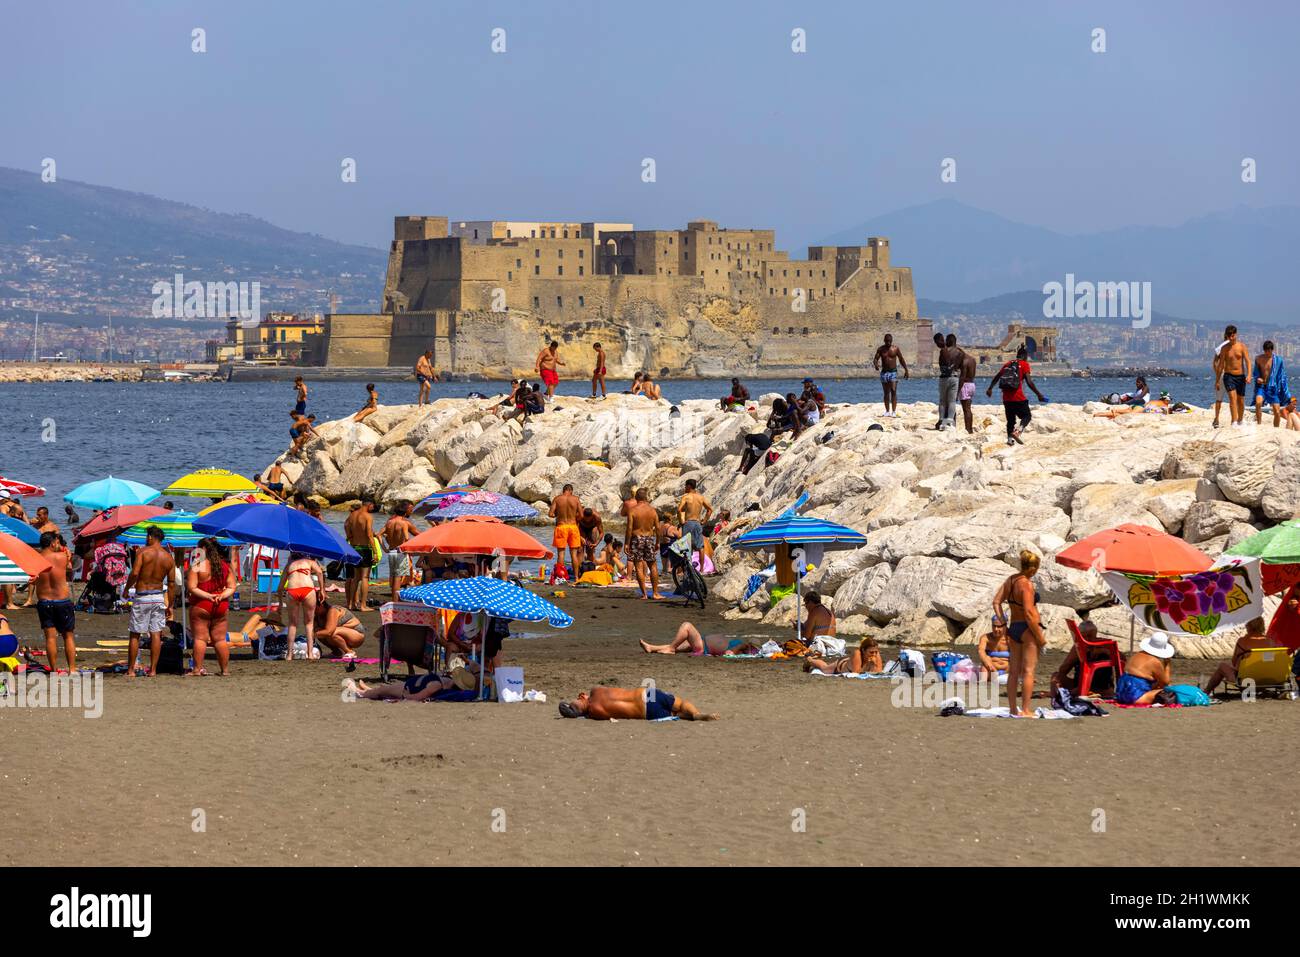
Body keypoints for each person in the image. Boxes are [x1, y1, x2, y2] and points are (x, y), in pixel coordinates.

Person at [993, 549, 1046, 717]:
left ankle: (1012, 709)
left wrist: (1002, 622)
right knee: (1029, 670)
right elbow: (1030, 614)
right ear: (1033, 568)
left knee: (1014, 671)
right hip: (1027, 629)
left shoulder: (1011, 580)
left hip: (1014, 628)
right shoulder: (1027, 585)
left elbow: (996, 602)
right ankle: (1025, 709)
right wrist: (1040, 638)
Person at [125, 525, 176, 678]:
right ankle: (153, 670)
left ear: (150, 537)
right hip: (159, 596)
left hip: (143, 596)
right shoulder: (168, 557)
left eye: (146, 536)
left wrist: (127, 588)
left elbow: (134, 573)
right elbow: (172, 583)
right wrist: (170, 605)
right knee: (156, 634)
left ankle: (131, 670)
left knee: (135, 634)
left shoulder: (143, 552)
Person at [187, 537, 235, 676]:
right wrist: (221, 595)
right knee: (220, 639)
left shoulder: (199, 564)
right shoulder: (224, 565)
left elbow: (192, 587)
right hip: (220, 604)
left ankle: (197, 669)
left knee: (200, 638)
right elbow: (232, 587)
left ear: (204, 549)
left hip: (201, 604)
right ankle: (225, 670)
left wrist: (207, 596)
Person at [986, 345, 1047, 447]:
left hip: (1006, 398)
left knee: (1010, 420)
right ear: (1025, 356)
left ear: (1017, 355)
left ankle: (1010, 440)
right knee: (1027, 416)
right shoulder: (1024, 364)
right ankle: (1018, 432)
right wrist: (1039, 394)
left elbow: (997, 377)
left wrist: (990, 388)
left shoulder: (1008, 364)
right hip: (1018, 397)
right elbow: (1029, 382)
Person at [34, 531, 76, 674]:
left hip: (44, 601)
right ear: (53, 543)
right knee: (68, 636)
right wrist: (64, 550)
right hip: (62, 601)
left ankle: (53, 670)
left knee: (50, 638)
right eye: (56, 542)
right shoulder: (62, 557)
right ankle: (72, 669)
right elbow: (70, 569)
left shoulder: (36, 558)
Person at [558, 685, 719, 721]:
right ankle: (696, 714)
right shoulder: (596, 690)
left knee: (675, 714)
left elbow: (584, 713)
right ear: (582, 696)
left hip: (646, 713)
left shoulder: (594, 714)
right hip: (646, 694)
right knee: (680, 702)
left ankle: (687, 716)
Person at [1203, 616, 1272, 694]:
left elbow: (1234, 662)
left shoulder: (1242, 641)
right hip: (1267, 680)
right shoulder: (1270, 642)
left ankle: (1206, 691)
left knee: (1222, 666)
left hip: (1245, 681)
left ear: (1248, 625)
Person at [278, 551, 325, 660]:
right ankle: (310, 654)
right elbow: (319, 572)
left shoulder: (289, 565)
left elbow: (280, 587)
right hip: (307, 590)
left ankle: (289, 655)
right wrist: (322, 590)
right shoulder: (310, 561)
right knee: (309, 623)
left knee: (292, 624)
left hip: (292, 590)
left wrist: (280, 603)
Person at [1049, 618, 1114, 695]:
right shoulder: (1078, 647)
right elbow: (1063, 670)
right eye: (1084, 636)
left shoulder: (1104, 644)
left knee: (1077, 691)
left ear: (1095, 634)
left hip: (1101, 688)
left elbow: (1122, 661)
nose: (1087, 639)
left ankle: (1067, 694)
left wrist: (1105, 652)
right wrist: (1074, 656)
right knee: (1056, 677)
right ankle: (1055, 698)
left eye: (1090, 636)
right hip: (1080, 684)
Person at [1115, 631, 1175, 704]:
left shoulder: (1136, 655)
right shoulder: (1155, 662)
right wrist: (1167, 664)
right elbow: (1165, 683)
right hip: (1135, 696)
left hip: (1120, 694)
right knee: (1170, 692)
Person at [640, 621, 762, 656]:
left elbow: (728, 653)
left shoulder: (740, 647)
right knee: (677, 645)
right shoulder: (740, 647)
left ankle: (670, 649)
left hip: (703, 646)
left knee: (686, 626)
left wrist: (741, 646)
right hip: (702, 643)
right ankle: (651, 648)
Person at [626, 489, 664, 600]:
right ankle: (656, 593)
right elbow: (657, 528)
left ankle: (644, 594)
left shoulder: (632, 510)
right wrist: (657, 542)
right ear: (646, 498)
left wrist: (626, 543)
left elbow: (629, 528)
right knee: (653, 565)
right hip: (649, 538)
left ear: (636, 498)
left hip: (636, 538)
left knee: (638, 566)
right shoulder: (652, 511)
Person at [381, 500, 419, 598]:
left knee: (394, 576)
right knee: (398, 577)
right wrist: (408, 548)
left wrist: (384, 549)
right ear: (405, 511)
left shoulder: (389, 522)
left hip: (391, 551)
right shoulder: (404, 523)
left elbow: (378, 534)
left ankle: (394, 600)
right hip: (400, 552)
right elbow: (407, 538)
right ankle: (396, 600)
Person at [344, 501, 376, 611]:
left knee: (355, 578)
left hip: (354, 548)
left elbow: (347, 531)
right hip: (365, 549)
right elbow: (369, 534)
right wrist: (375, 551)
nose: (373, 507)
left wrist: (352, 539)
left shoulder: (352, 515)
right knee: (365, 577)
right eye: (373, 505)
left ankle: (352, 604)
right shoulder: (367, 516)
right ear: (369, 504)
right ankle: (363, 605)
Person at [1252, 339, 1291, 427]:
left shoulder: (1278, 360)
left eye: (1269, 350)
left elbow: (1282, 375)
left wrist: (1283, 390)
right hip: (1261, 387)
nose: (1267, 352)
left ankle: (1275, 429)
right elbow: (1255, 373)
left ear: (1272, 350)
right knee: (1258, 403)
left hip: (1272, 388)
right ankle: (1259, 424)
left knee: (1277, 411)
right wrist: (1258, 378)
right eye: (1265, 350)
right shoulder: (1259, 359)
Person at [549, 483, 583, 578]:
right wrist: (574, 517)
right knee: (574, 555)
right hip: (573, 527)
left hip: (561, 526)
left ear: (563, 490)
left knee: (561, 553)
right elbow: (581, 515)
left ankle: (560, 577)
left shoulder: (557, 499)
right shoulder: (576, 499)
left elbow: (550, 514)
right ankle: (576, 577)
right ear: (571, 491)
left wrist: (558, 515)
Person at [1220, 325, 1251, 428]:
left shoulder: (1242, 346)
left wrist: (1249, 375)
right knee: (1232, 399)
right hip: (1228, 376)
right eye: (1229, 336)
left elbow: (1248, 362)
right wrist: (1216, 380)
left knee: (1241, 401)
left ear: (1236, 334)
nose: (1231, 338)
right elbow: (1221, 365)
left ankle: (1240, 420)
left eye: (1233, 335)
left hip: (1240, 377)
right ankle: (1234, 421)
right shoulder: (1224, 348)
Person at [804, 636, 883, 675]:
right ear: (863, 650)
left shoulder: (876, 654)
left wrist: (874, 664)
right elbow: (856, 673)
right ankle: (810, 660)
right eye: (871, 652)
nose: (874, 654)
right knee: (825, 669)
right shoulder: (857, 653)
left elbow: (879, 672)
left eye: (876, 652)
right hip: (841, 665)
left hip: (850, 663)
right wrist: (871, 665)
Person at [872, 333, 909, 417]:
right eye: (887, 341)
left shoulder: (895, 349)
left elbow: (901, 359)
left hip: (893, 372)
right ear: (884, 341)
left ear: (891, 341)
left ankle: (894, 411)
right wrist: (876, 365)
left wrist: (906, 370)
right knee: (886, 393)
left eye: (890, 341)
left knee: (893, 391)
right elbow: (875, 359)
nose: (888, 343)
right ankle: (887, 411)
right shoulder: (881, 349)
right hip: (884, 373)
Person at [677, 479, 712, 555]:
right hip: (697, 523)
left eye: (685, 486)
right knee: (700, 547)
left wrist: (681, 522)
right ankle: (702, 567)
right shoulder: (701, 497)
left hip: (688, 523)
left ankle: (687, 565)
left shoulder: (686, 497)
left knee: (685, 546)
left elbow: (679, 510)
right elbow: (709, 510)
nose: (685, 488)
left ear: (689, 486)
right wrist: (704, 521)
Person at [936, 333, 961, 430]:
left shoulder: (943, 350)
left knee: (943, 401)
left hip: (945, 377)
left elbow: (944, 365)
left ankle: (942, 421)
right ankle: (950, 421)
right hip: (955, 377)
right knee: (952, 401)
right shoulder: (959, 352)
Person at [957, 346, 978, 434]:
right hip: (972, 384)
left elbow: (962, 377)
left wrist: (957, 390)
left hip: (965, 385)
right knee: (968, 408)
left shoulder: (964, 361)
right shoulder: (972, 359)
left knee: (966, 409)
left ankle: (968, 429)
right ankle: (970, 428)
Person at [1211, 339, 1226, 429]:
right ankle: (1216, 418)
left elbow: (1215, 362)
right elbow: (1215, 362)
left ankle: (1217, 419)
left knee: (1219, 399)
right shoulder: (1221, 347)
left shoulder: (1221, 347)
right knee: (1220, 398)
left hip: (1226, 374)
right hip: (1225, 373)